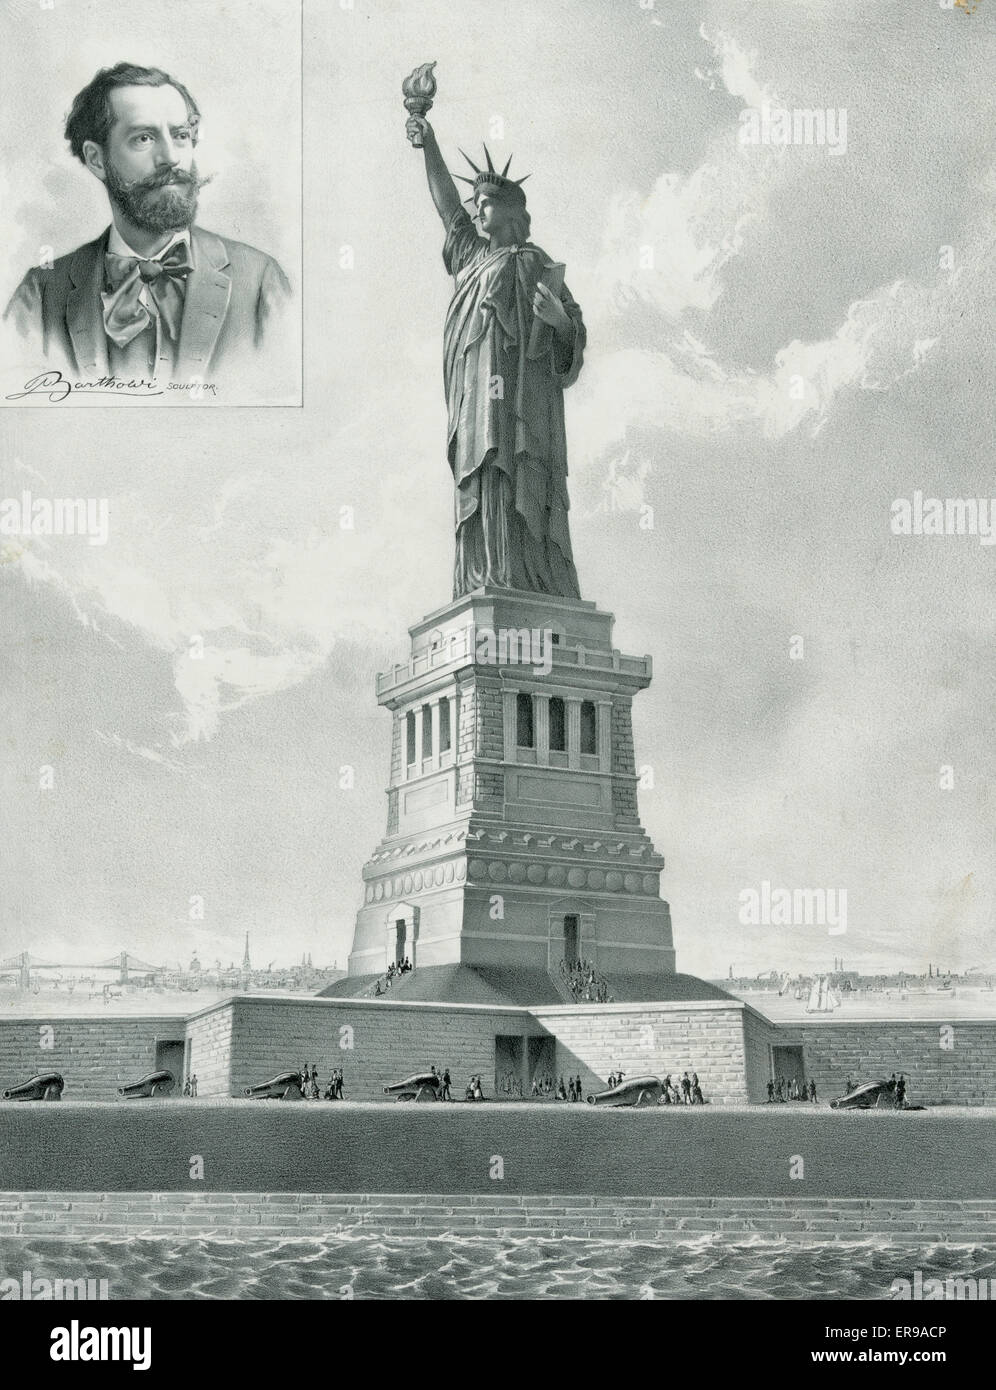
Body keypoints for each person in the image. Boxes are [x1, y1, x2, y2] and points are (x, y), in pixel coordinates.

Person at [5, 63, 290, 382]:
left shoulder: (261, 280)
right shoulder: (41, 293)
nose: (170, 156)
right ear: (97, 159)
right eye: (143, 138)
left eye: (181, 135)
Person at [405, 113, 585, 600]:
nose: (477, 212)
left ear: (510, 211)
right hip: (477, 405)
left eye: (485, 204)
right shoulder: (470, 258)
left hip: (524, 411)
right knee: (482, 477)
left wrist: (559, 321)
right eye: (477, 205)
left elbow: (573, 340)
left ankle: (528, 578)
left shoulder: (539, 266)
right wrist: (429, 142)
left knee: (520, 477)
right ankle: (485, 577)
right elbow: (448, 210)